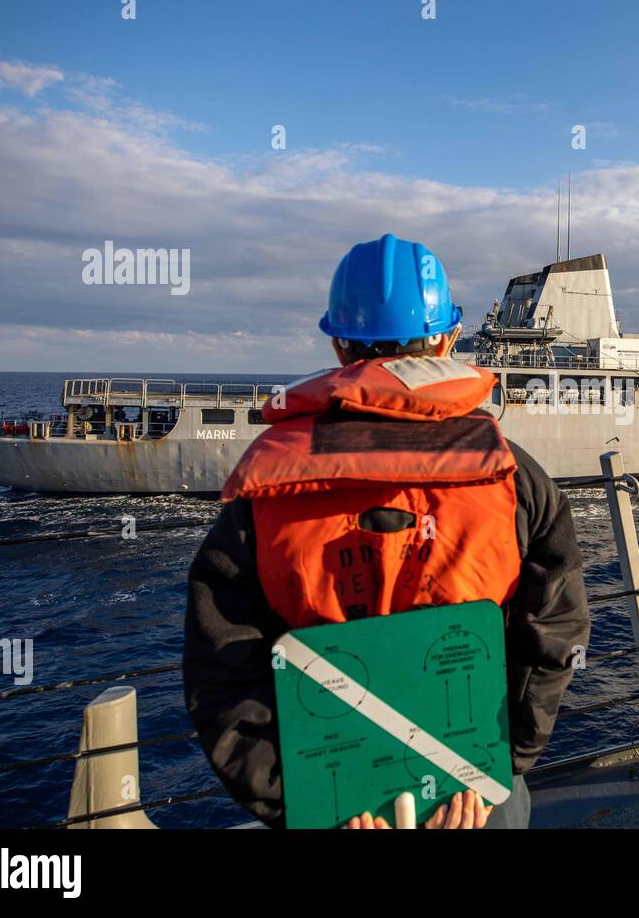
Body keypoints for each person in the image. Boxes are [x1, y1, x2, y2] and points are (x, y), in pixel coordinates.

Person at [184, 234, 590, 829]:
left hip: (331, 805)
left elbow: (221, 666)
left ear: (339, 343)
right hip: (478, 800)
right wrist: (501, 767)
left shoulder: (263, 492)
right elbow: (556, 635)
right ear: (449, 338)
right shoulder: (516, 477)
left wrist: (297, 801)